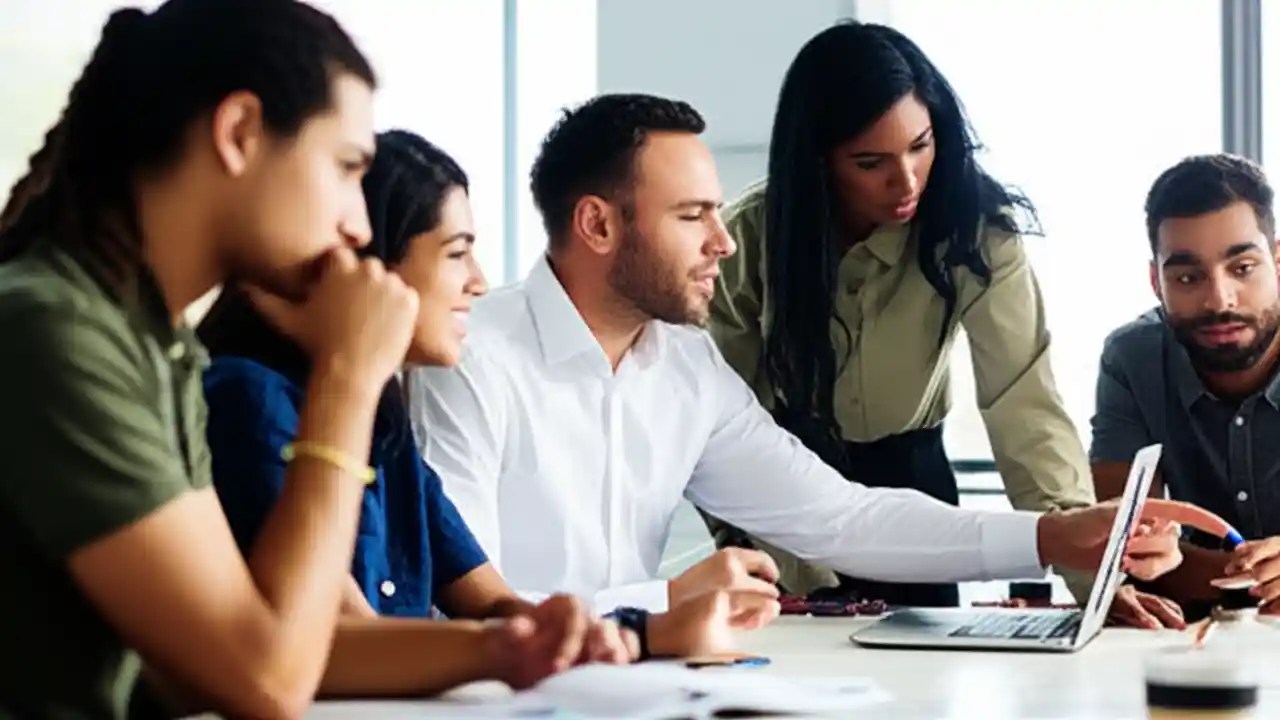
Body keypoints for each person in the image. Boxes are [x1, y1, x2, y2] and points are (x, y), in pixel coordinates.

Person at [406, 92, 1188, 617]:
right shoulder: (472, 359)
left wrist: (1051, 536)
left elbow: (840, 517)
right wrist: (667, 601)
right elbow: (470, 606)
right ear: (598, 226)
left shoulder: (685, 368)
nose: (722, 241)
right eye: (692, 216)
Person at [197, 130, 770, 692]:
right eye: (456, 254)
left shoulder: (383, 416)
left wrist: (634, 632)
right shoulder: (254, 398)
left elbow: (491, 601)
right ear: (363, 266)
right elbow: (342, 636)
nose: (479, 282)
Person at [0, 1, 418, 717]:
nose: (359, 225)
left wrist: (506, 648)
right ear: (239, 132)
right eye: (347, 169)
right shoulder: (50, 330)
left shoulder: (161, 350)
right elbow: (265, 678)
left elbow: (211, 654)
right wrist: (347, 376)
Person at [700, 20, 1096, 609]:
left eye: (921, 144)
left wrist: (1091, 574)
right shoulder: (744, 242)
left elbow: (1025, 407)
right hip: (786, 499)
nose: (906, 181)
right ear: (818, 160)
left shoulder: (977, 234)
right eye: (870, 162)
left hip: (918, 493)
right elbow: (721, 431)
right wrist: (753, 561)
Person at [1091, 154, 1280, 624]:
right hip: (1195, 640)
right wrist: (1158, 558)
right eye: (1188, 277)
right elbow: (1123, 543)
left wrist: (1189, 569)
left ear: (1278, 262)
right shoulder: (1131, 361)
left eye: (1242, 268)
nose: (1219, 300)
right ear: (1157, 282)